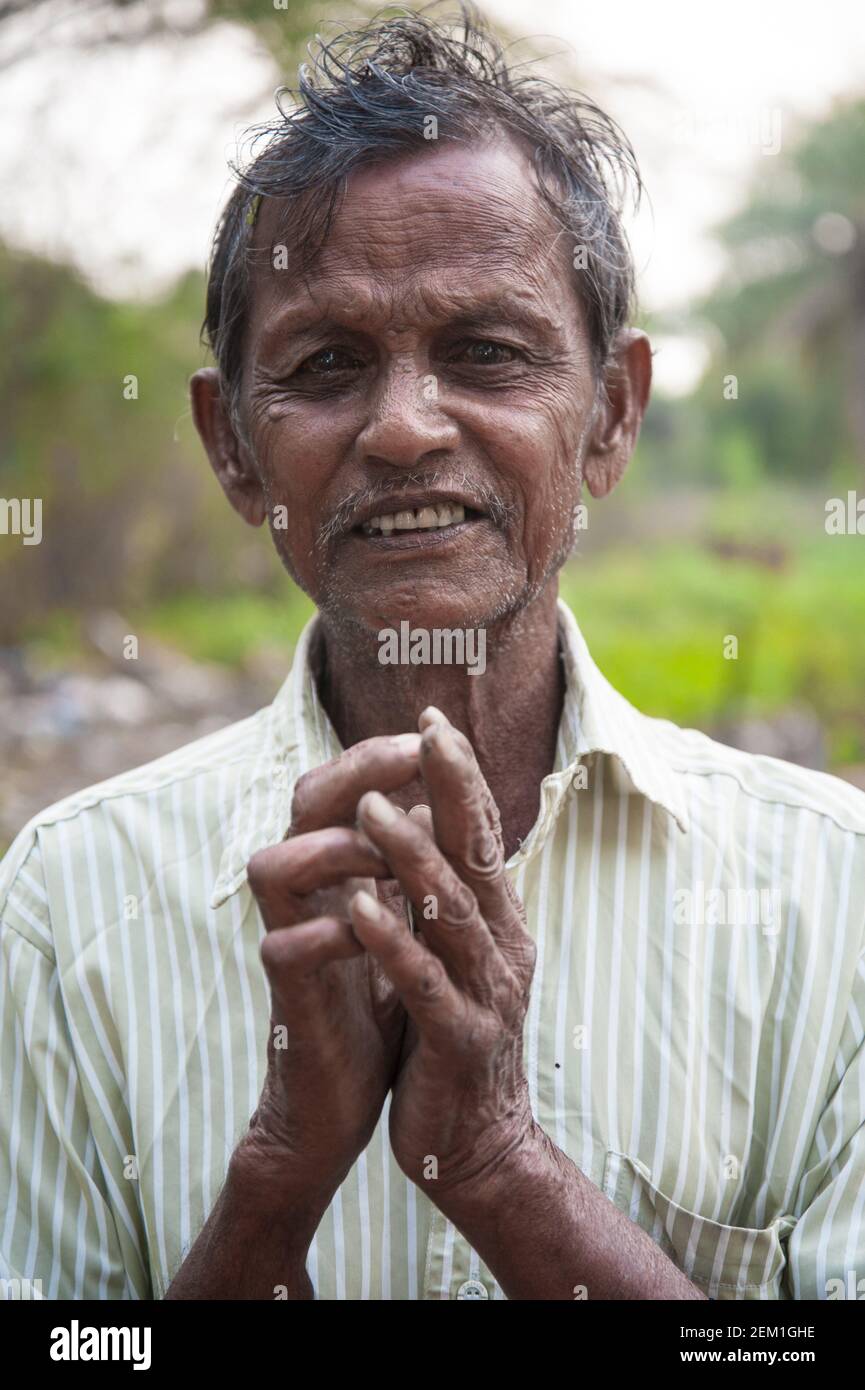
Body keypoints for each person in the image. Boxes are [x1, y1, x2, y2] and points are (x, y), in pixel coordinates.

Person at [1, 4, 863, 1301]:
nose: (403, 428)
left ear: (611, 416)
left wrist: (500, 1164)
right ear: (230, 444)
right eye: (327, 362)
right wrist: (279, 1177)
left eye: (486, 353)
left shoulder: (831, 898)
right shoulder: (66, 905)